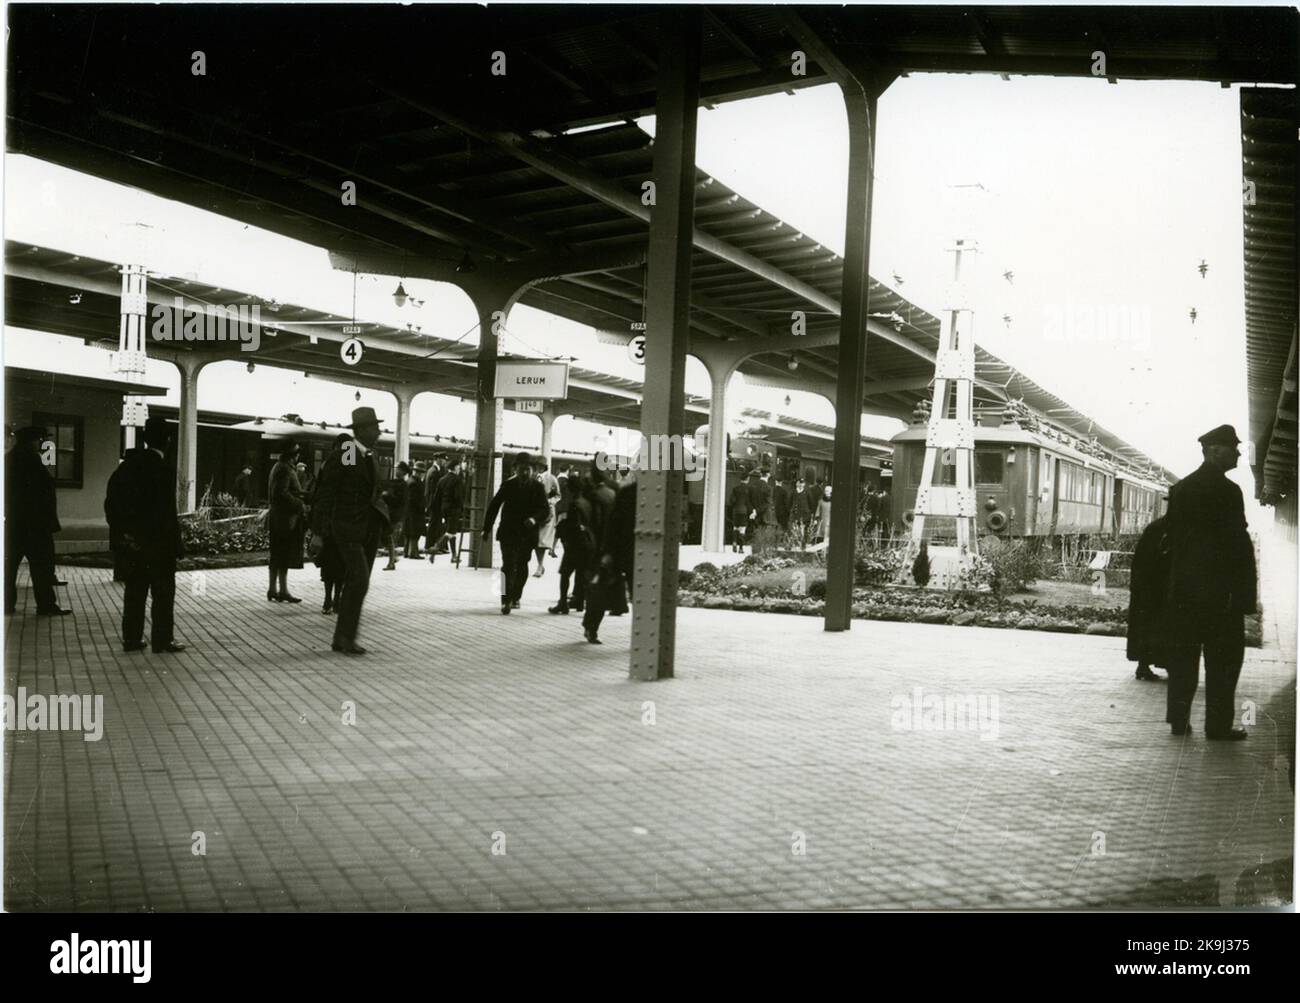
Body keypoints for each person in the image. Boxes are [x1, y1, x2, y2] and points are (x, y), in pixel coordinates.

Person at [1161, 424, 1257, 740]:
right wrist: (1243, 595)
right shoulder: (1229, 493)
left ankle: (1178, 720)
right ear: (1215, 450)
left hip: (1185, 593)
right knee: (1224, 663)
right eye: (1234, 447)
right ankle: (1216, 726)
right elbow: (1238, 547)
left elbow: (1171, 543)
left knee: (1182, 659)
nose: (1239, 453)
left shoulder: (1181, 489)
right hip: (1219, 597)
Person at [309, 407, 389, 655]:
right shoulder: (349, 452)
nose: (378, 431)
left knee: (357, 582)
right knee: (360, 581)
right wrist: (319, 532)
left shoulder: (368, 456)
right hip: (348, 528)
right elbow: (328, 491)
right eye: (374, 427)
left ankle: (342, 638)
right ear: (362, 430)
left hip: (366, 530)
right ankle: (344, 638)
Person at [104, 416, 184, 653]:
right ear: (168, 440)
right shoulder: (164, 470)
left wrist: (124, 534)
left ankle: (132, 638)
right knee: (163, 594)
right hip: (159, 544)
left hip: (135, 544)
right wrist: (176, 543)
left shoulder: (127, 466)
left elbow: (111, 504)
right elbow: (167, 512)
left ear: (146, 439)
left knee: (135, 592)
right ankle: (162, 639)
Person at [5, 425, 69, 616]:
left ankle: (6, 603)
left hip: (14, 523)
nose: (41, 444)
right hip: (35, 525)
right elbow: (41, 493)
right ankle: (46, 604)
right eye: (40, 440)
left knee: (9, 567)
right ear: (33, 441)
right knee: (42, 566)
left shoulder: (9, 458)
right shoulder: (32, 460)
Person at [482, 452, 550, 615]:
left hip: (527, 534)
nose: (525, 473)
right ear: (515, 469)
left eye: (528, 469)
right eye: (521, 469)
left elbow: (545, 510)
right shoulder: (508, 485)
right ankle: (505, 600)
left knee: (522, 565)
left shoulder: (538, 487)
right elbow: (494, 506)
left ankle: (516, 596)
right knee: (507, 566)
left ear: (532, 470)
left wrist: (534, 519)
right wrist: (486, 528)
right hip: (509, 532)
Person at [583, 475, 636, 644]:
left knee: (604, 587)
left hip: (626, 550)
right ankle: (591, 626)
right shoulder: (628, 493)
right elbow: (613, 524)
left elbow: (612, 523)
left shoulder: (628, 492)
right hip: (621, 549)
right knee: (604, 587)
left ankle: (591, 627)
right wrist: (608, 552)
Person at [1127, 515, 1171, 682]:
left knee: (1145, 627)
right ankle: (1163, 664)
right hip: (1160, 589)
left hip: (1147, 588)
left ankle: (1143, 665)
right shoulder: (1176, 527)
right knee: (1162, 628)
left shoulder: (1155, 527)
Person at [310, 434, 350, 616]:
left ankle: (328, 599)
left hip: (328, 523)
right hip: (344, 524)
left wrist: (317, 528)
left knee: (328, 563)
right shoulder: (348, 461)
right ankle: (337, 600)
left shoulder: (328, 463)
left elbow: (320, 496)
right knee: (341, 564)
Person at [267, 439, 306, 603]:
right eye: (296, 453)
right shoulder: (284, 469)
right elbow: (281, 493)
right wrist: (300, 503)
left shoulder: (279, 467)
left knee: (277, 554)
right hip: (284, 519)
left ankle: (274, 589)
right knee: (282, 555)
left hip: (279, 518)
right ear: (293, 455)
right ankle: (281, 590)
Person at [549, 473, 594, 615]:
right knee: (581, 573)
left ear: (570, 489)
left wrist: (563, 531)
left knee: (565, 573)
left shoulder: (575, 504)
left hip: (574, 544)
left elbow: (572, 525)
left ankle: (562, 603)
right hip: (586, 543)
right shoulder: (587, 503)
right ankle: (580, 602)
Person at [428, 454, 466, 563]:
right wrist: (461, 507)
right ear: (454, 468)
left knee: (452, 531)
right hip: (454, 509)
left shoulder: (442, 479)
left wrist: (439, 509)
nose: (459, 469)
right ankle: (435, 548)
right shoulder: (457, 480)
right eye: (458, 467)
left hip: (444, 508)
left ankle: (454, 556)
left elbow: (437, 497)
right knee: (450, 531)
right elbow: (458, 496)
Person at [380, 461, 409, 571]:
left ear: (403, 472)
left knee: (389, 537)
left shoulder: (403, 486)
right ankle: (393, 558)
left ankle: (391, 562)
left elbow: (400, 502)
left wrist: (386, 496)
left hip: (395, 515)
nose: (396, 470)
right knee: (386, 536)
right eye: (396, 468)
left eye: (398, 469)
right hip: (388, 513)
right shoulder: (393, 482)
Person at [534, 460, 560, 575]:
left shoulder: (552, 478)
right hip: (535, 511)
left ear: (545, 466)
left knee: (542, 541)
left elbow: (558, 495)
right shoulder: (533, 478)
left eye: (540, 466)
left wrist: (550, 501)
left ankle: (540, 566)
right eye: (537, 466)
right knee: (536, 540)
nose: (538, 468)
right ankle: (540, 565)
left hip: (548, 512)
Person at [424, 455, 447, 562]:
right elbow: (434, 491)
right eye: (443, 460)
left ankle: (432, 546)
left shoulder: (431, 470)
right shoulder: (434, 472)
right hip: (435, 504)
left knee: (435, 524)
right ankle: (429, 546)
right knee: (434, 524)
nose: (444, 462)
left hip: (432, 503)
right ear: (438, 459)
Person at [402, 462, 426, 558]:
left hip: (409, 511)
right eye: (421, 472)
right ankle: (413, 553)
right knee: (415, 533)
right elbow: (414, 499)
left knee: (409, 532)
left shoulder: (409, 480)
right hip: (415, 512)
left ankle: (406, 551)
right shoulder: (415, 483)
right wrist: (423, 506)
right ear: (418, 472)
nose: (422, 474)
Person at [750, 467, 773, 553]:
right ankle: (760, 555)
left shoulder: (753, 485)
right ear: (768, 475)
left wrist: (753, 511)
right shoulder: (768, 487)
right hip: (764, 516)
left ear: (760, 474)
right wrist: (757, 511)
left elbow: (749, 500)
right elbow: (767, 503)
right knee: (763, 535)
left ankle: (754, 555)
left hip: (754, 514)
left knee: (755, 534)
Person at [728, 469, 752, 553]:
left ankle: (734, 543)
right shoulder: (749, 489)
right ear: (748, 479)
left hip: (736, 511)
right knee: (742, 530)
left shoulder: (735, 489)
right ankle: (741, 548)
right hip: (744, 511)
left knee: (735, 528)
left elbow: (731, 501)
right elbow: (749, 502)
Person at [790, 475, 815, 549]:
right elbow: (789, 502)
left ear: (804, 484)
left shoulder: (807, 492)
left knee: (804, 531)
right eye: (799, 483)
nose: (801, 484)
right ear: (796, 483)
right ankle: (796, 545)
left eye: (802, 483)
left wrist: (809, 512)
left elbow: (811, 503)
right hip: (796, 514)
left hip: (805, 515)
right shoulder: (793, 492)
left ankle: (803, 546)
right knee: (795, 529)